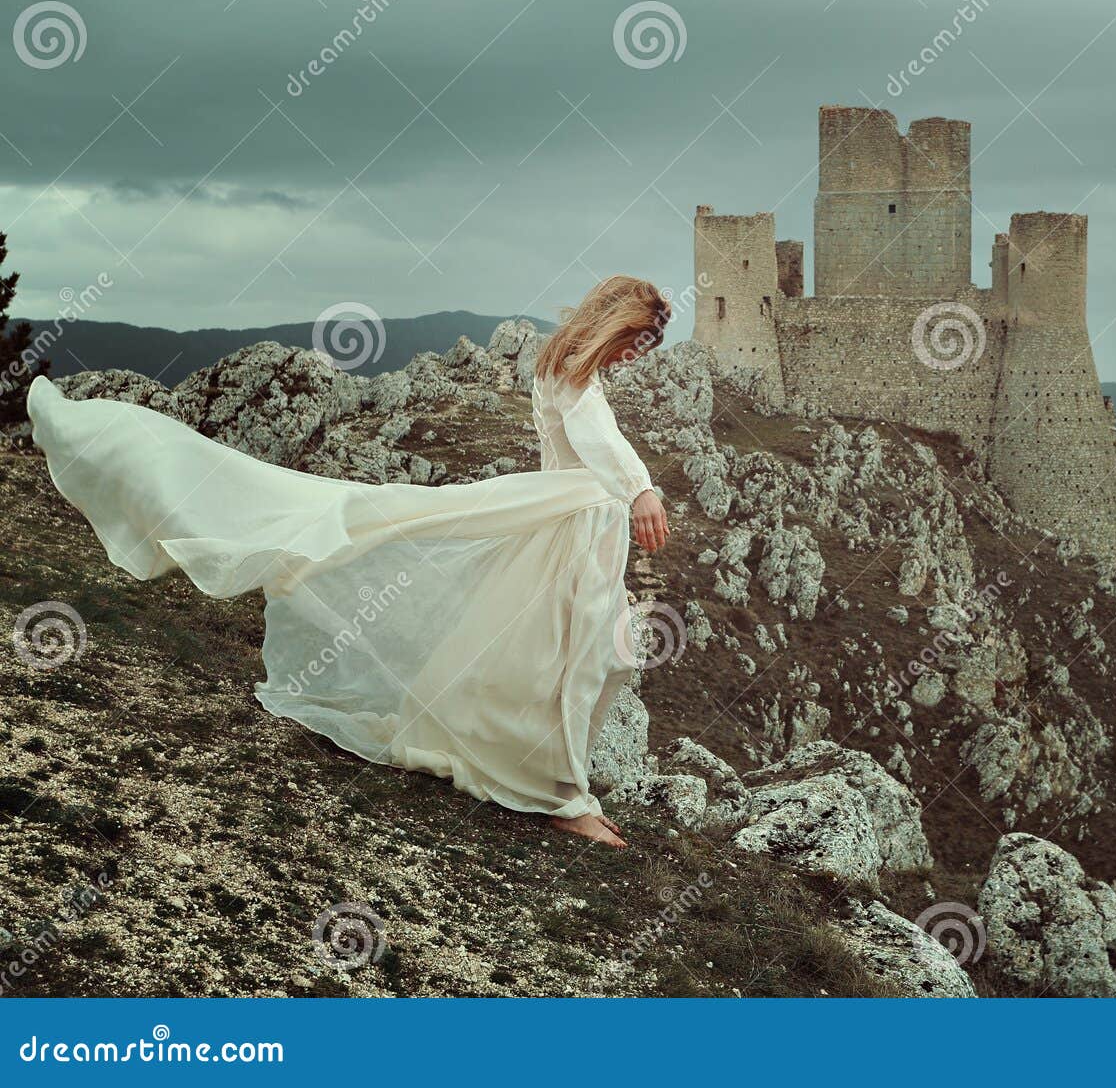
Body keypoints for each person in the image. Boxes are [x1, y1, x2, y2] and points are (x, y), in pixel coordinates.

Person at [26, 274, 671, 849]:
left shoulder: (564, 365)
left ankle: (556, 782)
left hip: (571, 525)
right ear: (616, 326)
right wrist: (642, 486)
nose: (632, 355)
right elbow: (598, 440)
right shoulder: (577, 379)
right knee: (578, 656)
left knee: (568, 654)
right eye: (634, 341)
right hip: (573, 530)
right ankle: (563, 795)